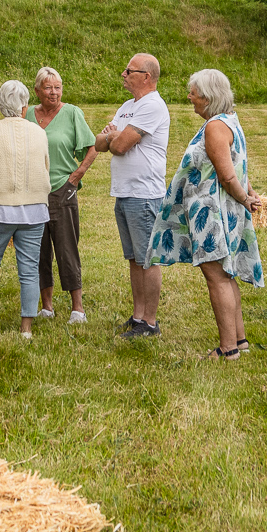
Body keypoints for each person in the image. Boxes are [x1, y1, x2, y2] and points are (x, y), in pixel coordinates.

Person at [150, 69, 265, 358]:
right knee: (226, 275)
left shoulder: (215, 127)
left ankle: (228, 350)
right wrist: (248, 193)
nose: (190, 97)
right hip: (225, 210)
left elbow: (227, 176)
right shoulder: (230, 122)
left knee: (217, 278)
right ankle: (239, 341)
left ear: (209, 97)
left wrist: (245, 197)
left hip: (213, 213)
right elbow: (239, 166)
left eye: (195, 93)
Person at [95, 53, 172, 338]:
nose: (124, 74)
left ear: (146, 77)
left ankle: (150, 322)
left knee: (147, 258)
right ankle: (138, 316)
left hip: (144, 193)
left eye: (130, 71)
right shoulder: (128, 106)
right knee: (133, 258)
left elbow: (119, 146)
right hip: (125, 193)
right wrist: (113, 137)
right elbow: (99, 143)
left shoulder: (153, 105)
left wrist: (114, 137)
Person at [0, 79, 50, 339]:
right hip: (35, 209)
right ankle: (25, 329)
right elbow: (46, 169)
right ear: (25, 106)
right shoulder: (39, 132)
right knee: (29, 269)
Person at [29, 67, 95, 325]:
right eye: (48, 87)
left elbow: (91, 148)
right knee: (39, 250)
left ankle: (77, 308)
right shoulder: (27, 116)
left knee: (66, 249)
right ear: (37, 91)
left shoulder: (72, 113)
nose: (53, 92)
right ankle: (47, 306)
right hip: (33, 192)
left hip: (61, 190)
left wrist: (75, 177)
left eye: (57, 87)